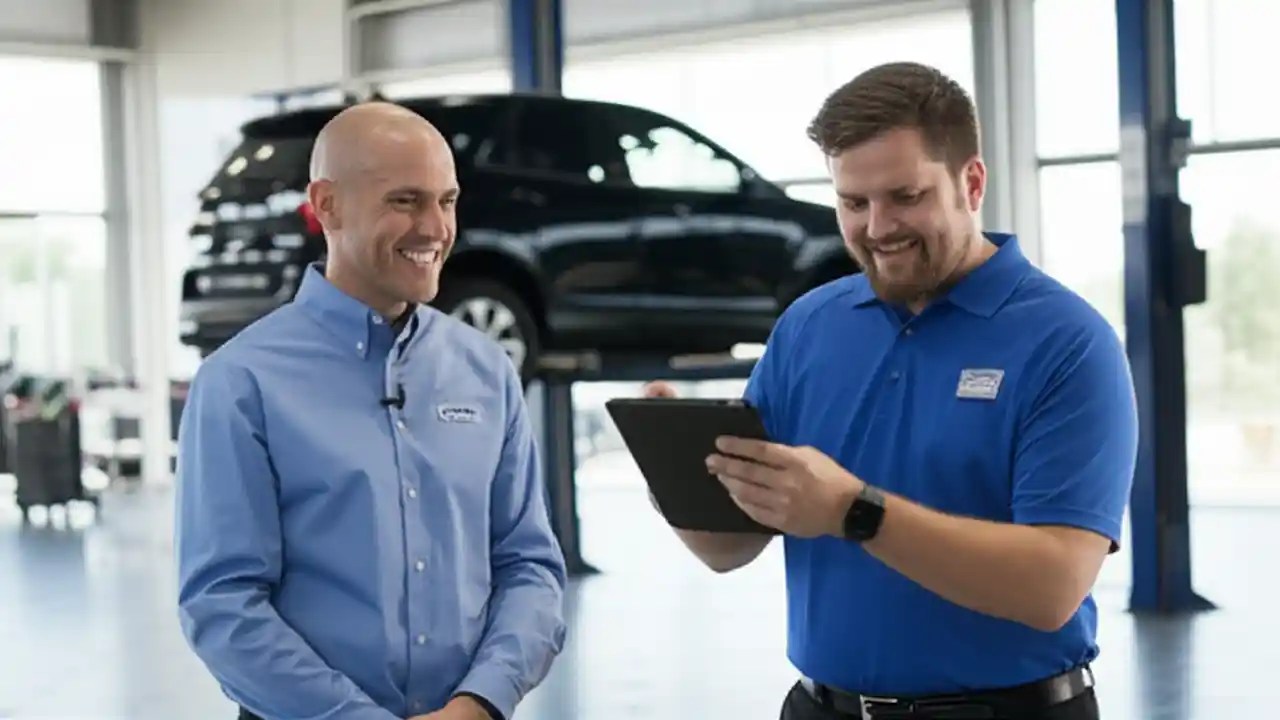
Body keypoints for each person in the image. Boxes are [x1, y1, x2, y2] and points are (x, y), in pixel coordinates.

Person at [645, 62, 1136, 720]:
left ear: (972, 182)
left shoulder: (1069, 343)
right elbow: (730, 548)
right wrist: (674, 478)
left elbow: (1053, 587)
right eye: (853, 202)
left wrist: (856, 512)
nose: (878, 227)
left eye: (905, 196)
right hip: (823, 708)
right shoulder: (809, 328)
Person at [175, 102, 567, 720]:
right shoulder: (241, 382)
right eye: (406, 201)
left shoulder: (486, 371)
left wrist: (480, 702)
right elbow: (223, 604)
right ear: (327, 204)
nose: (435, 228)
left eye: (448, 200)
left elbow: (529, 566)